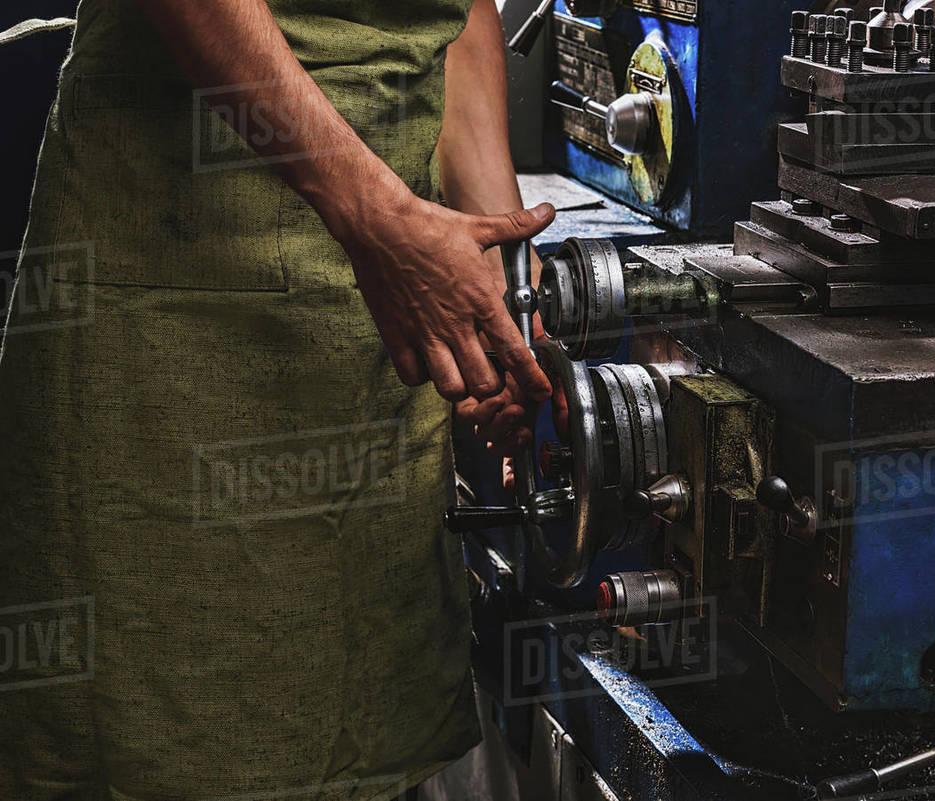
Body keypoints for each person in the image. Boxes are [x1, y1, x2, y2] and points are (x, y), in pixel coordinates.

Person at [0, 0, 547, 798]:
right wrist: (377, 219)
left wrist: (498, 301)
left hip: (379, 312)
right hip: (176, 284)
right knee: (155, 736)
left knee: (358, 727)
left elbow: (455, 17)